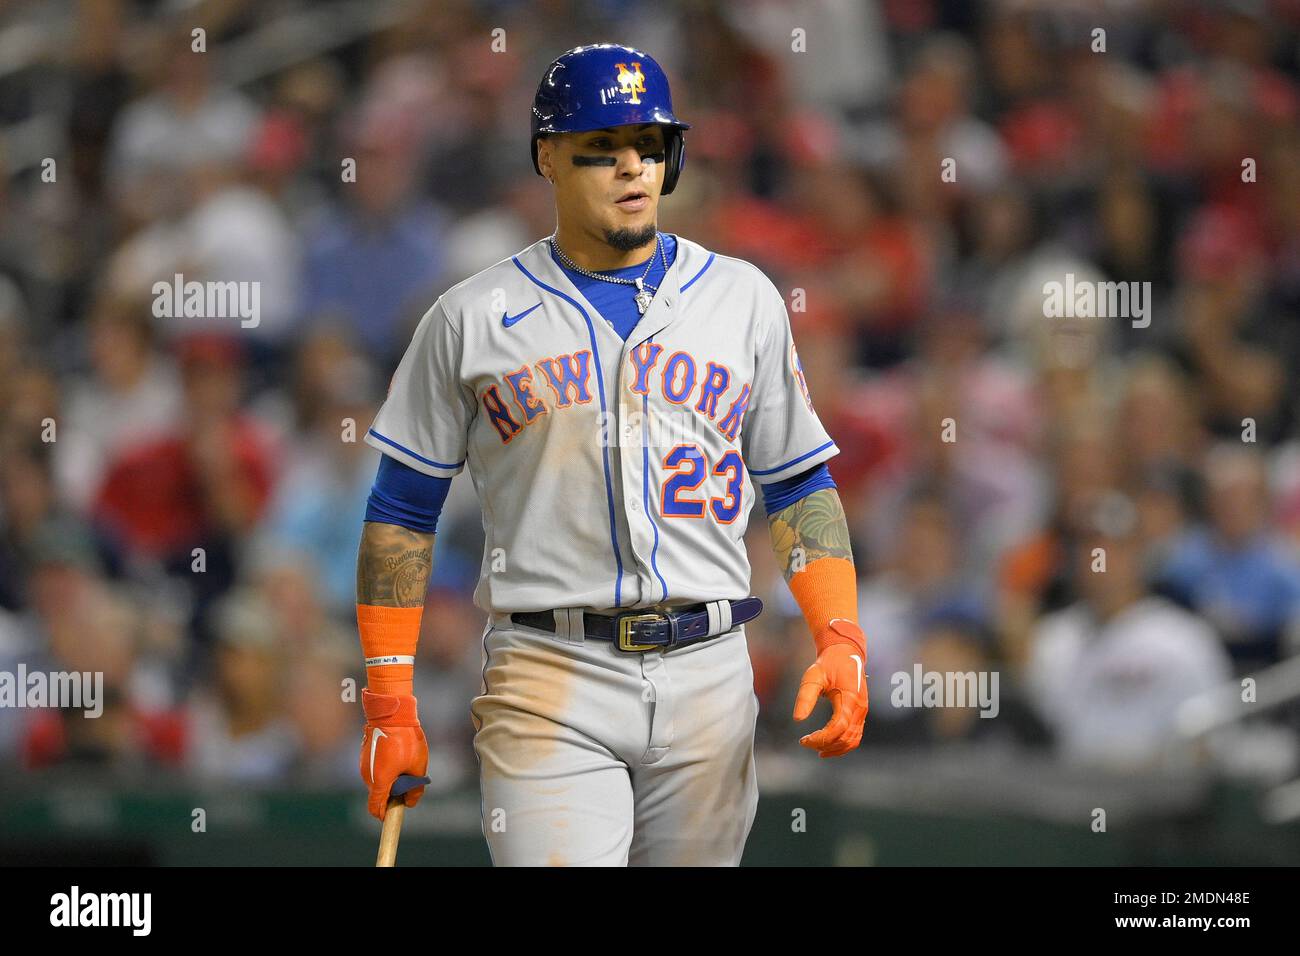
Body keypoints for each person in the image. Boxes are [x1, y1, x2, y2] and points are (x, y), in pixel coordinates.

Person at [352, 44, 869, 866]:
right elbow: (402, 513)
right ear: (547, 158)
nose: (632, 166)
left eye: (650, 145)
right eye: (602, 146)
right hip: (549, 673)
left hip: (710, 674)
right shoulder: (470, 316)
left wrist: (839, 635)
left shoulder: (743, 299)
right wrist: (389, 703)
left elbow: (799, 481)